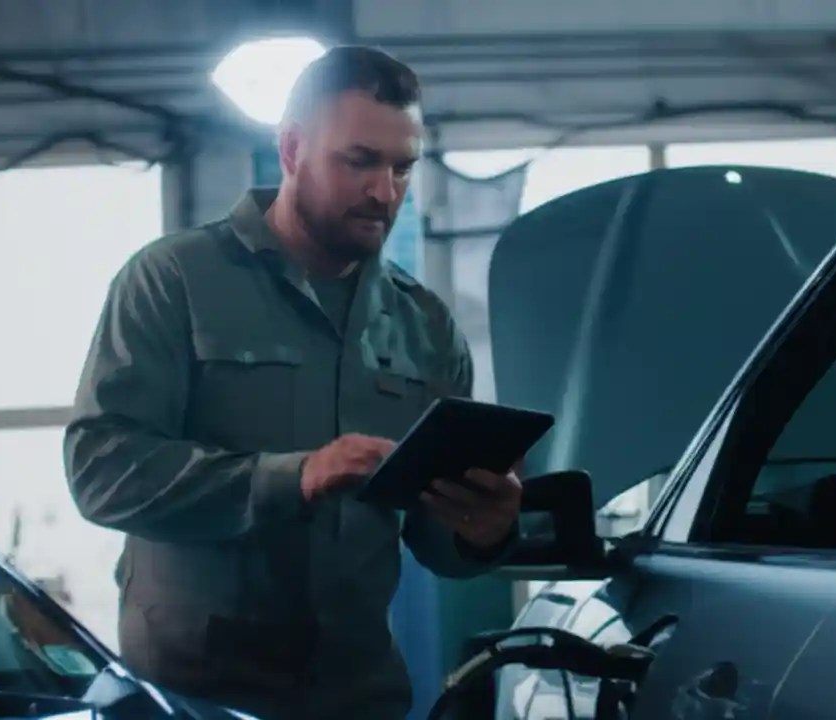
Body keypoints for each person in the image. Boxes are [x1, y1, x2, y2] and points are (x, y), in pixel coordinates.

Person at [64, 45, 521, 719]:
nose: (384, 191)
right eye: (359, 160)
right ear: (290, 148)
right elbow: (101, 470)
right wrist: (293, 477)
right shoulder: (174, 281)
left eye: (402, 167)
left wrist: (482, 530)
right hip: (194, 702)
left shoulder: (426, 326)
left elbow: (433, 541)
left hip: (359, 699)